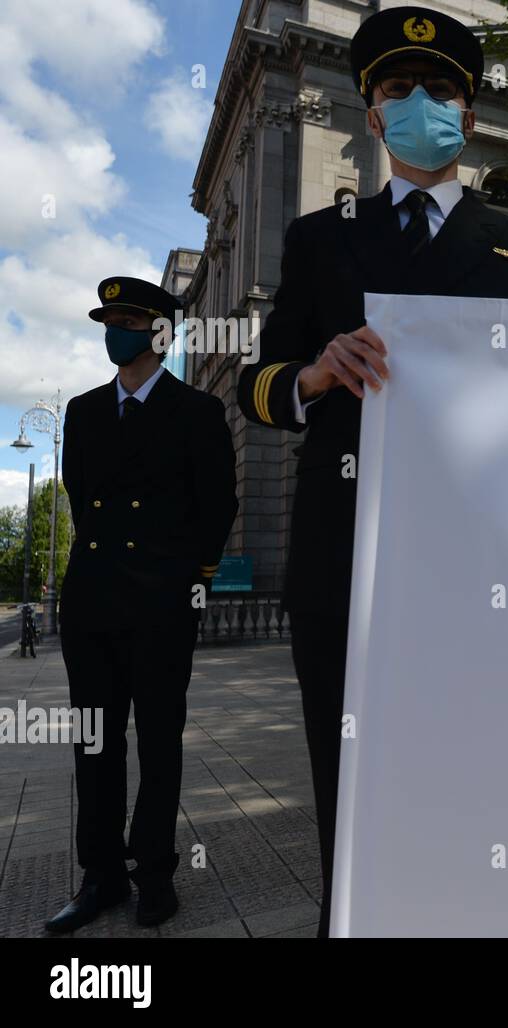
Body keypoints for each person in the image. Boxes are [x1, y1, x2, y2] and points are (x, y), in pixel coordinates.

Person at [236, 5, 508, 938]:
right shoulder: (317, 240)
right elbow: (256, 391)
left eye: (442, 91)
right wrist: (314, 371)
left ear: (467, 115)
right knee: (347, 770)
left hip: (482, 561)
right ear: (373, 116)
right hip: (346, 552)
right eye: (397, 89)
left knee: (476, 763)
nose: (421, 103)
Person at [46, 277, 238, 932]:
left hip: (160, 605)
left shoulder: (198, 413)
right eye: (109, 319)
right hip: (93, 603)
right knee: (94, 744)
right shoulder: (83, 410)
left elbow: (217, 510)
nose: (114, 331)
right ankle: (99, 875)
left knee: (158, 743)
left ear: (159, 332)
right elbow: (81, 497)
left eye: (128, 319)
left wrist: (191, 587)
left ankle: (153, 873)